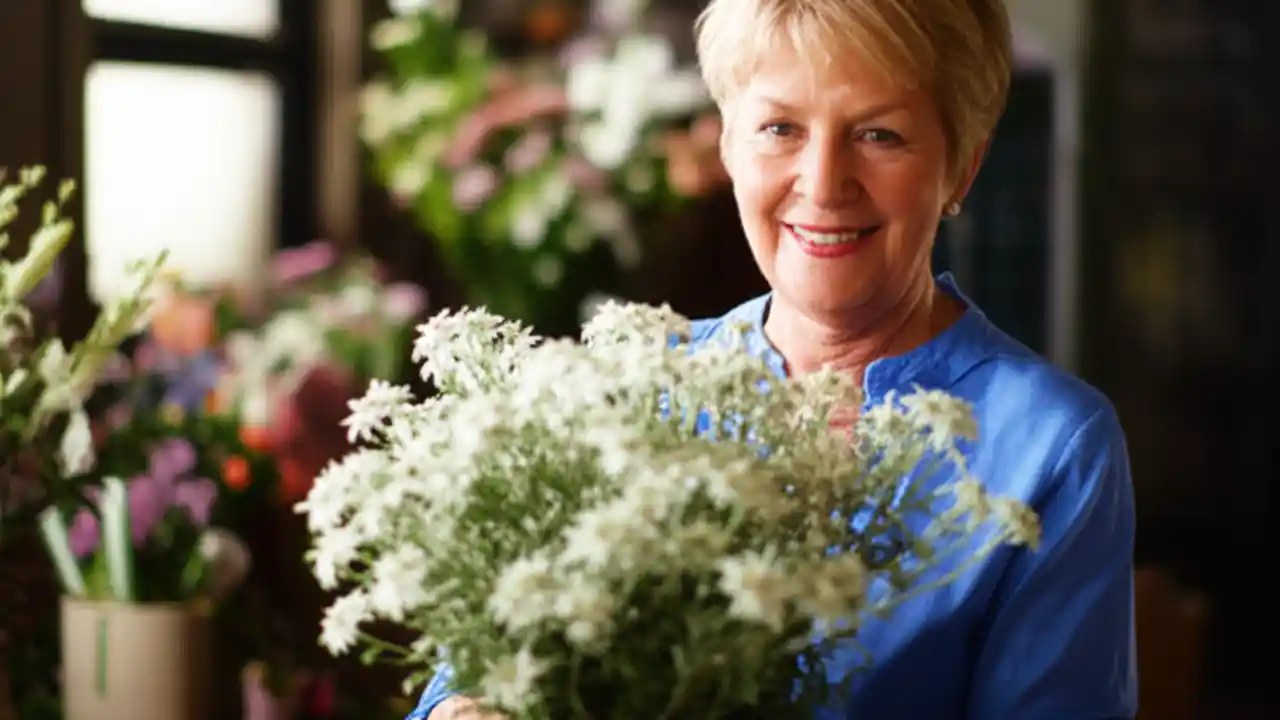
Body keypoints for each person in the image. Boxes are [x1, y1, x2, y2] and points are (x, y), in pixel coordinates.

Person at [412, 0, 1138, 717]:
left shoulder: (1052, 447)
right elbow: (466, 677)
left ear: (963, 168)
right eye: (780, 128)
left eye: (880, 134)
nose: (823, 183)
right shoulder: (627, 388)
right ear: (727, 146)